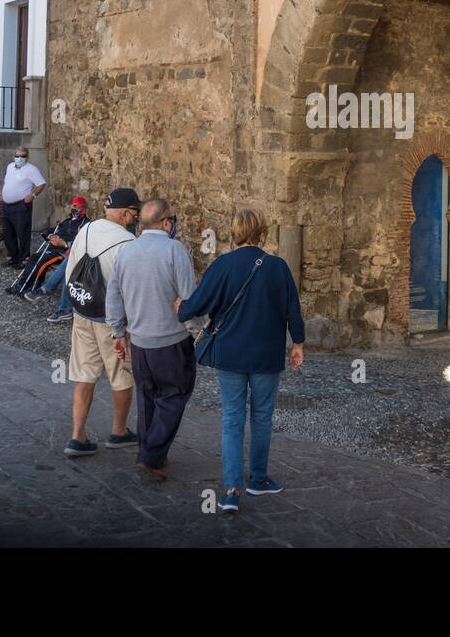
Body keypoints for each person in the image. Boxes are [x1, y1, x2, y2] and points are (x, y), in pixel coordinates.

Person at [178, 208, 305, 513]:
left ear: (234, 233)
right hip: (267, 355)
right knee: (262, 418)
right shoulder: (278, 267)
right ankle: (258, 479)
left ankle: (232, 490)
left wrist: (180, 306)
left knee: (232, 419)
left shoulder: (223, 265)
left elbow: (192, 308)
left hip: (230, 354)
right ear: (262, 233)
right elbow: (293, 311)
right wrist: (297, 344)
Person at [105, 198, 197, 480]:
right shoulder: (174, 250)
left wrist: (118, 333)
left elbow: (114, 295)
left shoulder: (127, 251)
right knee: (174, 394)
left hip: (140, 340)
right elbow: (189, 297)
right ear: (166, 222)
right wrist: (196, 331)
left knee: (148, 398)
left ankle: (151, 451)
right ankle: (152, 453)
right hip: (171, 340)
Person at [63, 188, 141, 458]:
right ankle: (119, 431)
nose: (134, 218)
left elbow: (71, 268)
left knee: (84, 375)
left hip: (82, 312)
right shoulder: (128, 242)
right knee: (121, 374)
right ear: (123, 213)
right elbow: (130, 289)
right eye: (133, 213)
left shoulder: (86, 228)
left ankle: (77, 436)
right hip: (112, 322)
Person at [24, 195, 89, 321]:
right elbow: (51, 230)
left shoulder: (87, 224)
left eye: (79, 206)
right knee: (34, 258)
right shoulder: (67, 221)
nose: (75, 208)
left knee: (48, 262)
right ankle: (62, 308)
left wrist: (64, 243)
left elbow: (82, 243)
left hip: (66, 253)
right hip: (64, 253)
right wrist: (52, 237)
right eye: (74, 205)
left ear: (84, 209)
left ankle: (45, 290)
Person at [1, 146, 46, 268]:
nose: (19, 158)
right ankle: (13, 257)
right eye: (17, 156)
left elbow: (41, 184)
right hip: (6, 206)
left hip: (21, 206)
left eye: (23, 156)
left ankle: (24, 259)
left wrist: (33, 195)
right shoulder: (10, 167)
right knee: (8, 233)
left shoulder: (31, 169)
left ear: (28, 157)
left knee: (23, 233)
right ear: (14, 156)